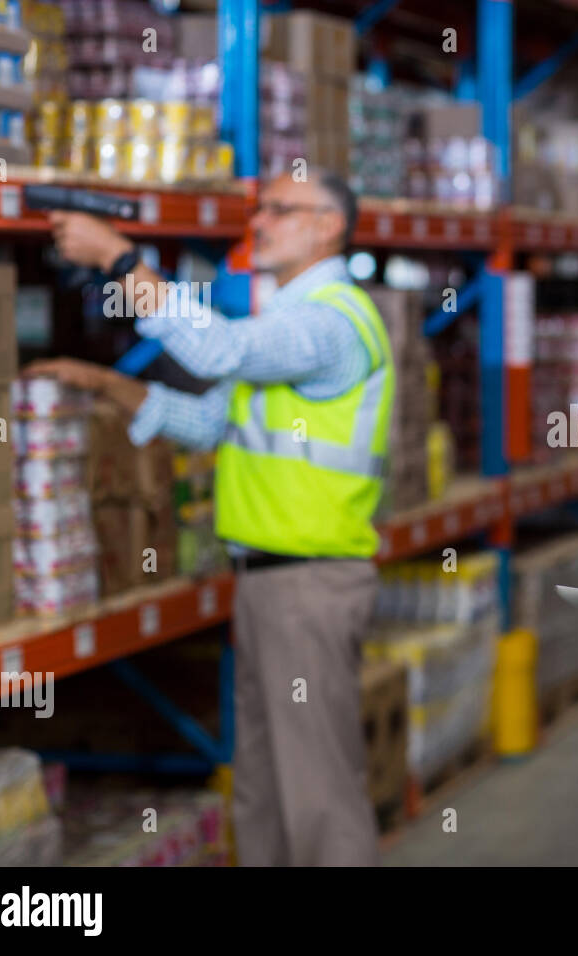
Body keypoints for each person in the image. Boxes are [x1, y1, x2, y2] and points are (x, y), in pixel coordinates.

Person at [26, 169, 393, 866]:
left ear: (329, 227)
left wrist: (120, 261)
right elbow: (205, 423)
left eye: (282, 210)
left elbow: (219, 350)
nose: (259, 222)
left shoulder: (331, 321)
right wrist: (102, 382)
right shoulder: (286, 322)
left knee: (318, 797)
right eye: (261, 209)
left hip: (310, 586)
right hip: (264, 583)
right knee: (260, 786)